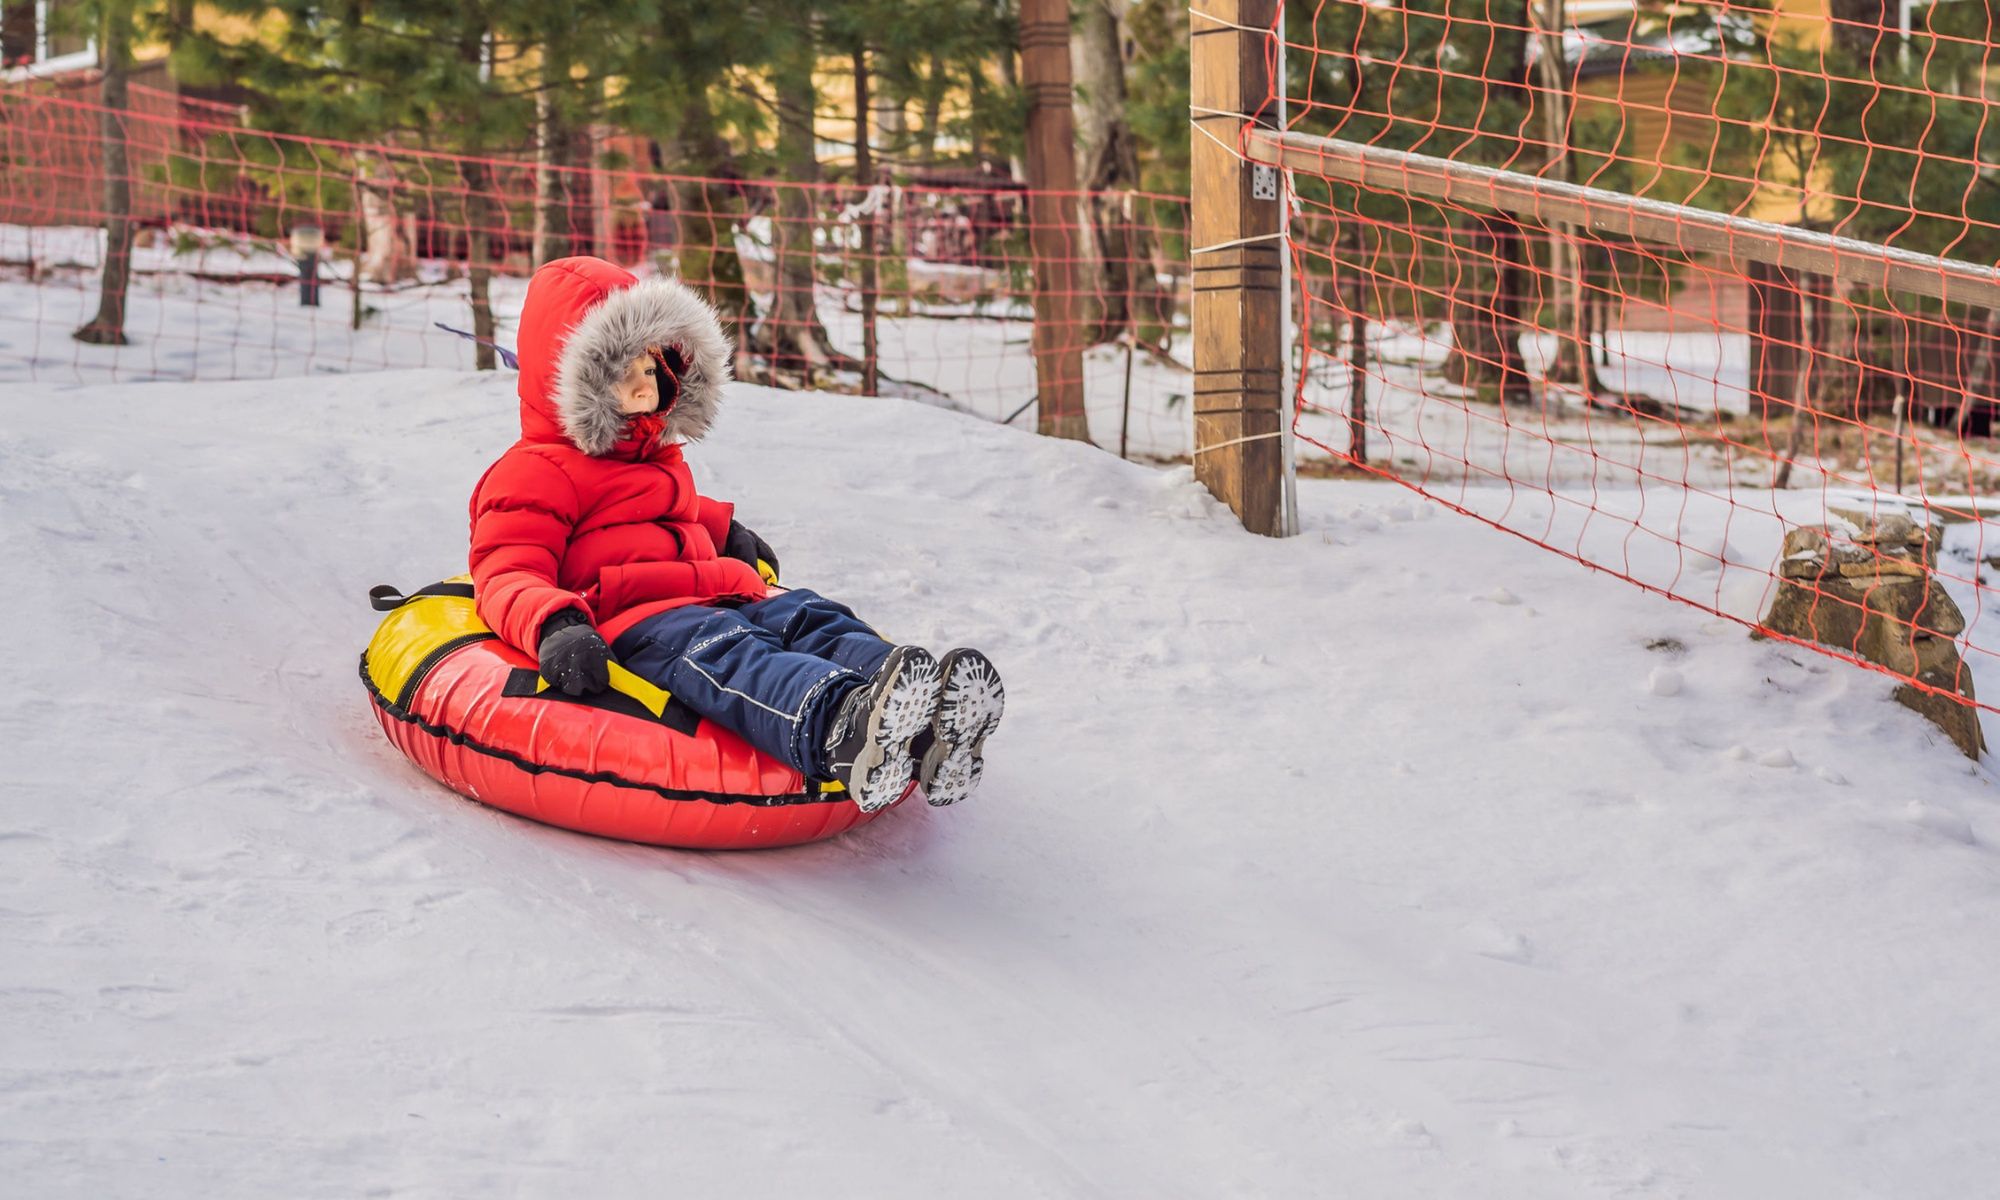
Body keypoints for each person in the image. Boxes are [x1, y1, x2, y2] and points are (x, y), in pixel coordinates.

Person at [467, 256, 1004, 812]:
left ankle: (921, 714)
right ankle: (843, 725)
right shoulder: (532, 472)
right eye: (622, 367)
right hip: (644, 618)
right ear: (571, 376)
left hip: (718, 589)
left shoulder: (651, 450)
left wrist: (722, 529)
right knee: (734, 659)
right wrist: (556, 623)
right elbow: (506, 567)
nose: (648, 381)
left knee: (810, 617)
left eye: (654, 363)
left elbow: (665, 511)